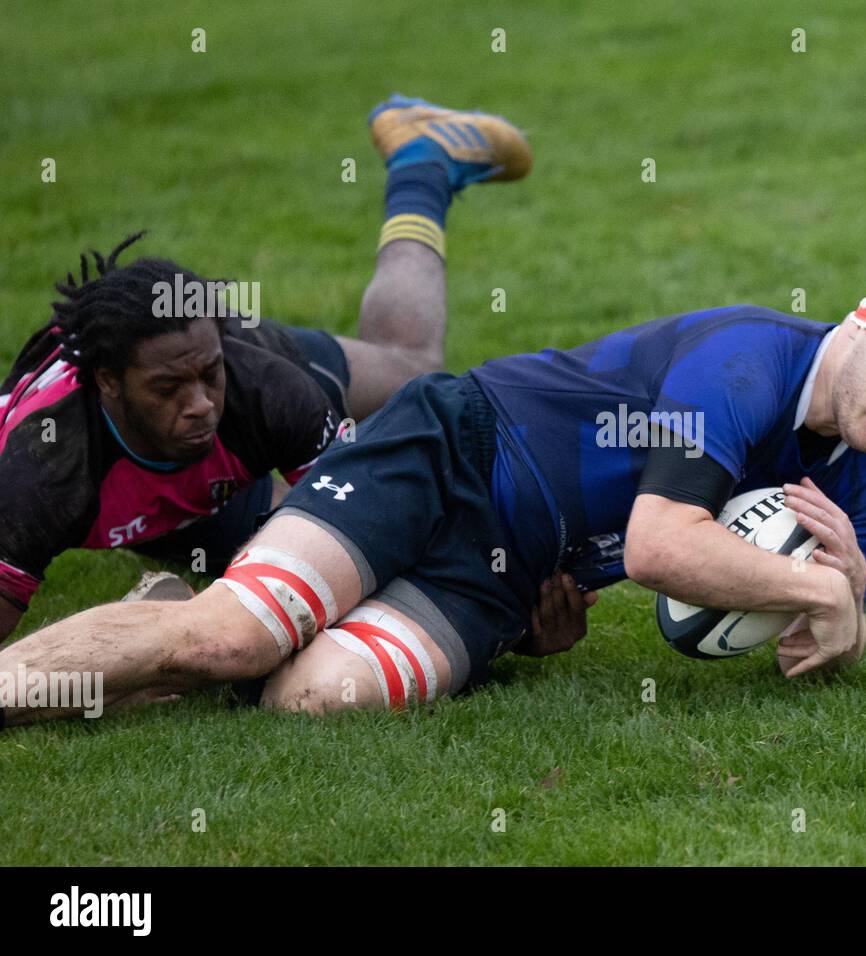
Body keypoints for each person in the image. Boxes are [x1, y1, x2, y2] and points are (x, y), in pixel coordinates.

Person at [0, 114, 866, 727]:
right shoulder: (748, 359)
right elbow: (659, 546)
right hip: (454, 450)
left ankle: (169, 612)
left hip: (506, 574)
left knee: (311, 699)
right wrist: (818, 590)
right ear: (861, 323)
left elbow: (793, 643)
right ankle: (192, 624)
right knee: (233, 642)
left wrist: (843, 610)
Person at [0, 94, 532, 642]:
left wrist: (511, 595)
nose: (202, 402)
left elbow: (366, 526)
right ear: (109, 384)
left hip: (226, 438)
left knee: (411, 367)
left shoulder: (266, 389)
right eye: (169, 388)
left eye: (210, 374)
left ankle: (423, 163)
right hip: (148, 491)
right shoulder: (43, 467)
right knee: (272, 563)